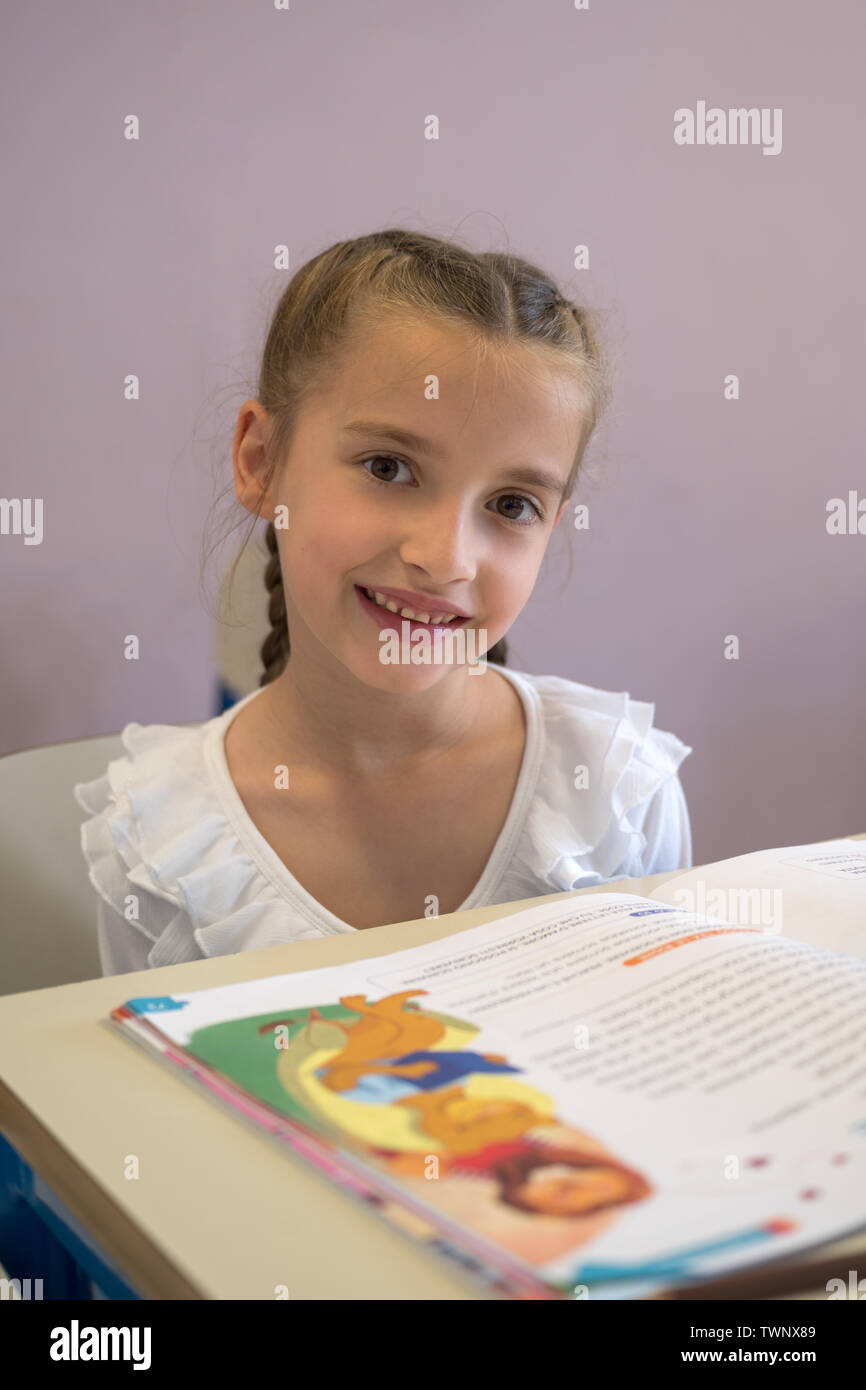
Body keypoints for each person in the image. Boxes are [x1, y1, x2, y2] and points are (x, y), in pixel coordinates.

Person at [74, 227, 693, 976]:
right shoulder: (159, 843)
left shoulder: (616, 798)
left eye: (510, 504)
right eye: (389, 466)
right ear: (260, 463)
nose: (446, 557)